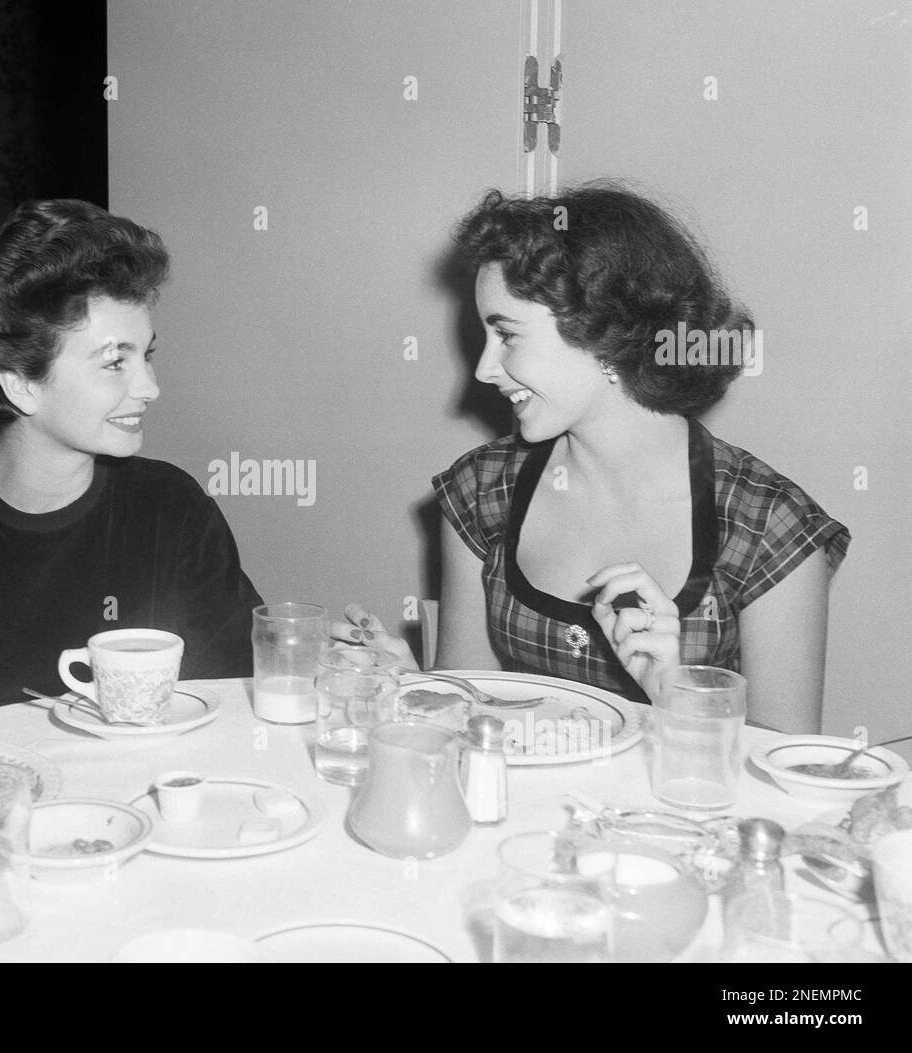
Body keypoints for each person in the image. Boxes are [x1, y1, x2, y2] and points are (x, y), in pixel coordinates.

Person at [334, 185, 848, 733]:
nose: (484, 368)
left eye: (506, 334)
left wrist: (679, 699)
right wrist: (410, 689)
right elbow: (471, 710)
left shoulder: (767, 524)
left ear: (603, 334)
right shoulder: (481, 491)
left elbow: (778, 777)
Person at [0, 200, 262, 739]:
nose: (150, 386)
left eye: (147, 355)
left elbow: (242, 680)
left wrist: (363, 670)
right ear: (21, 384)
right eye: (114, 361)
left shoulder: (171, 507)